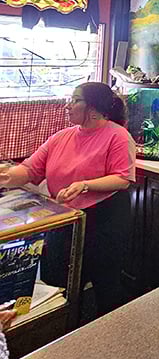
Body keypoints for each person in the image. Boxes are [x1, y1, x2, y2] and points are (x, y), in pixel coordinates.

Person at [0, 82, 135, 317]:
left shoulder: (118, 136)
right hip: (65, 219)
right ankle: (63, 330)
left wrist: (84, 185)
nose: (67, 106)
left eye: (75, 100)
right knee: (58, 279)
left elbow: (122, 178)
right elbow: (31, 169)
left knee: (105, 282)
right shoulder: (62, 136)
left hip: (104, 219)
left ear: (92, 108)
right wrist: (6, 176)